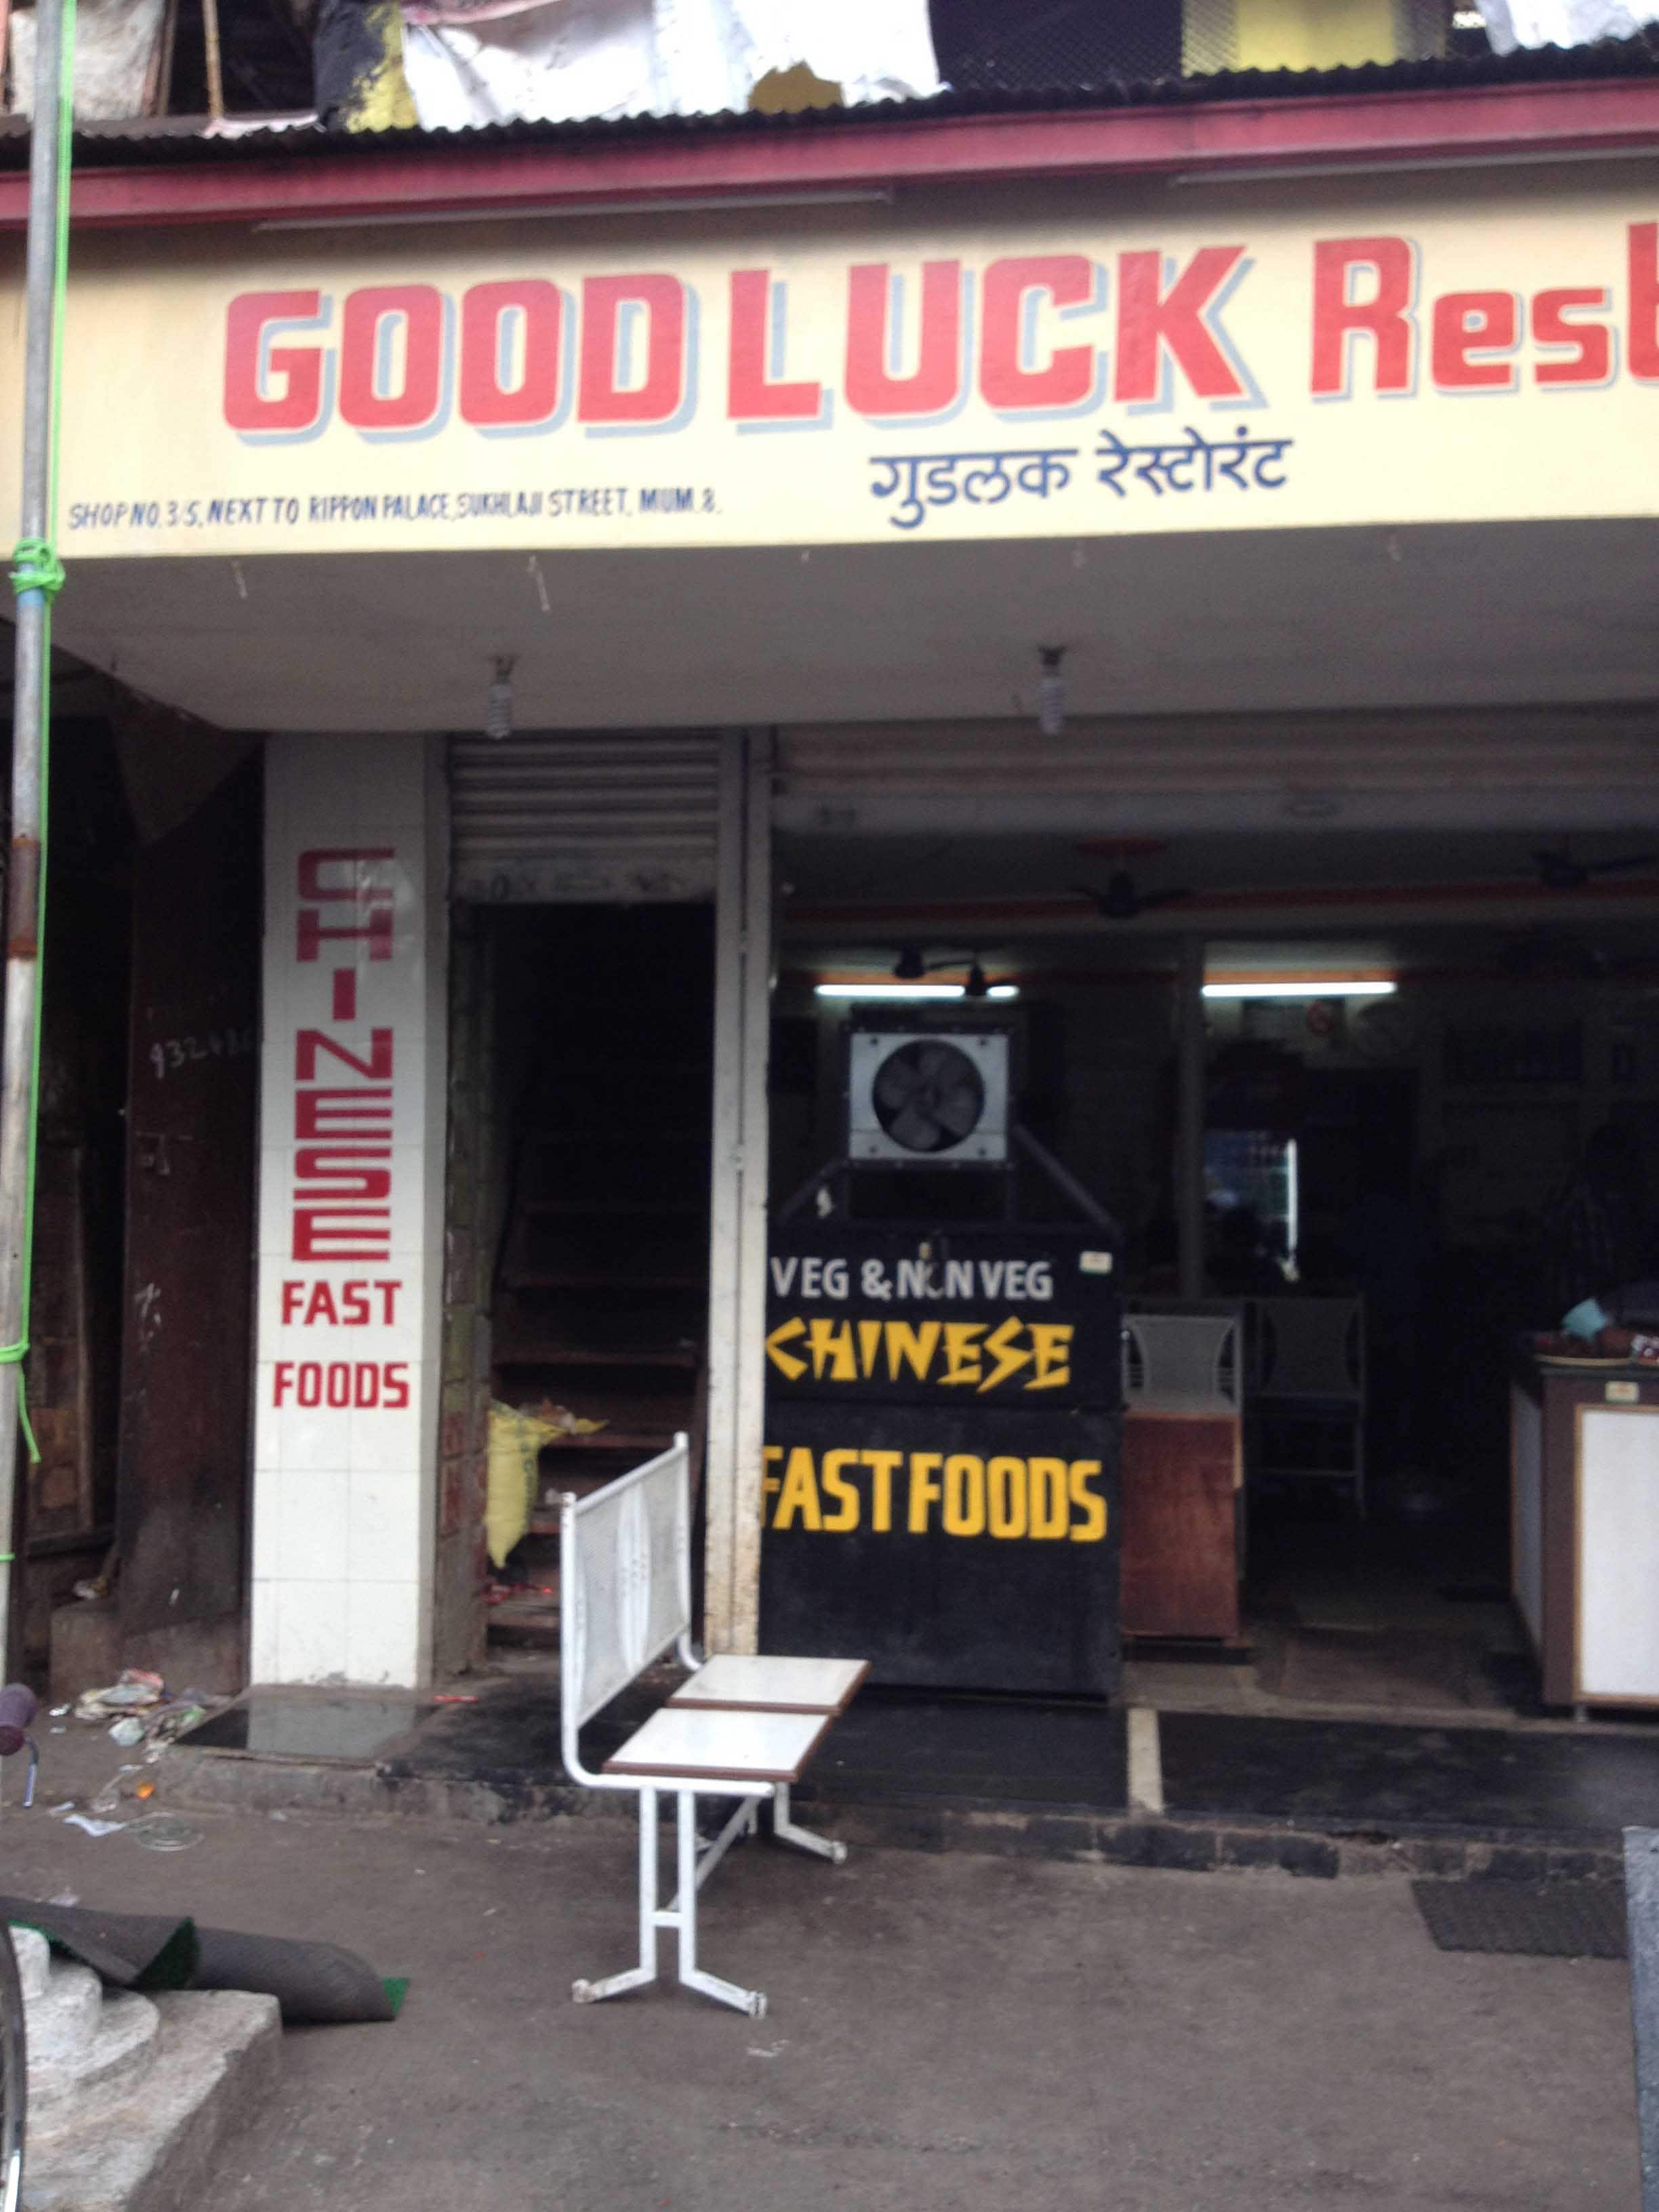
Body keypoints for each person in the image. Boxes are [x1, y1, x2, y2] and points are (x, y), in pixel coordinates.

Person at [1543, 1124, 1650, 1318]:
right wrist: (1593, 1271)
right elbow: (1550, 1240)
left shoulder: (1621, 1193)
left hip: (1612, 1299)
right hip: (1575, 1298)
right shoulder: (1571, 1192)